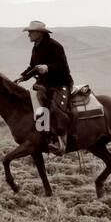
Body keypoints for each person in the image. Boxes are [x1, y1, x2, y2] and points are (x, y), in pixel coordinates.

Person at [19, 21, 73, 154]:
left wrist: (47, 68)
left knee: (54, 108)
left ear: (39, 33)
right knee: (36, 104)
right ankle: (41, 135)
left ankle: (59, 139)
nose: (28, 35)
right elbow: (33, 67)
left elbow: (62, 67)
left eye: (30, 32)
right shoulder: (36, 47)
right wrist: (23, 76)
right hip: (44, 85)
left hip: (60, 83)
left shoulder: (55, 46)